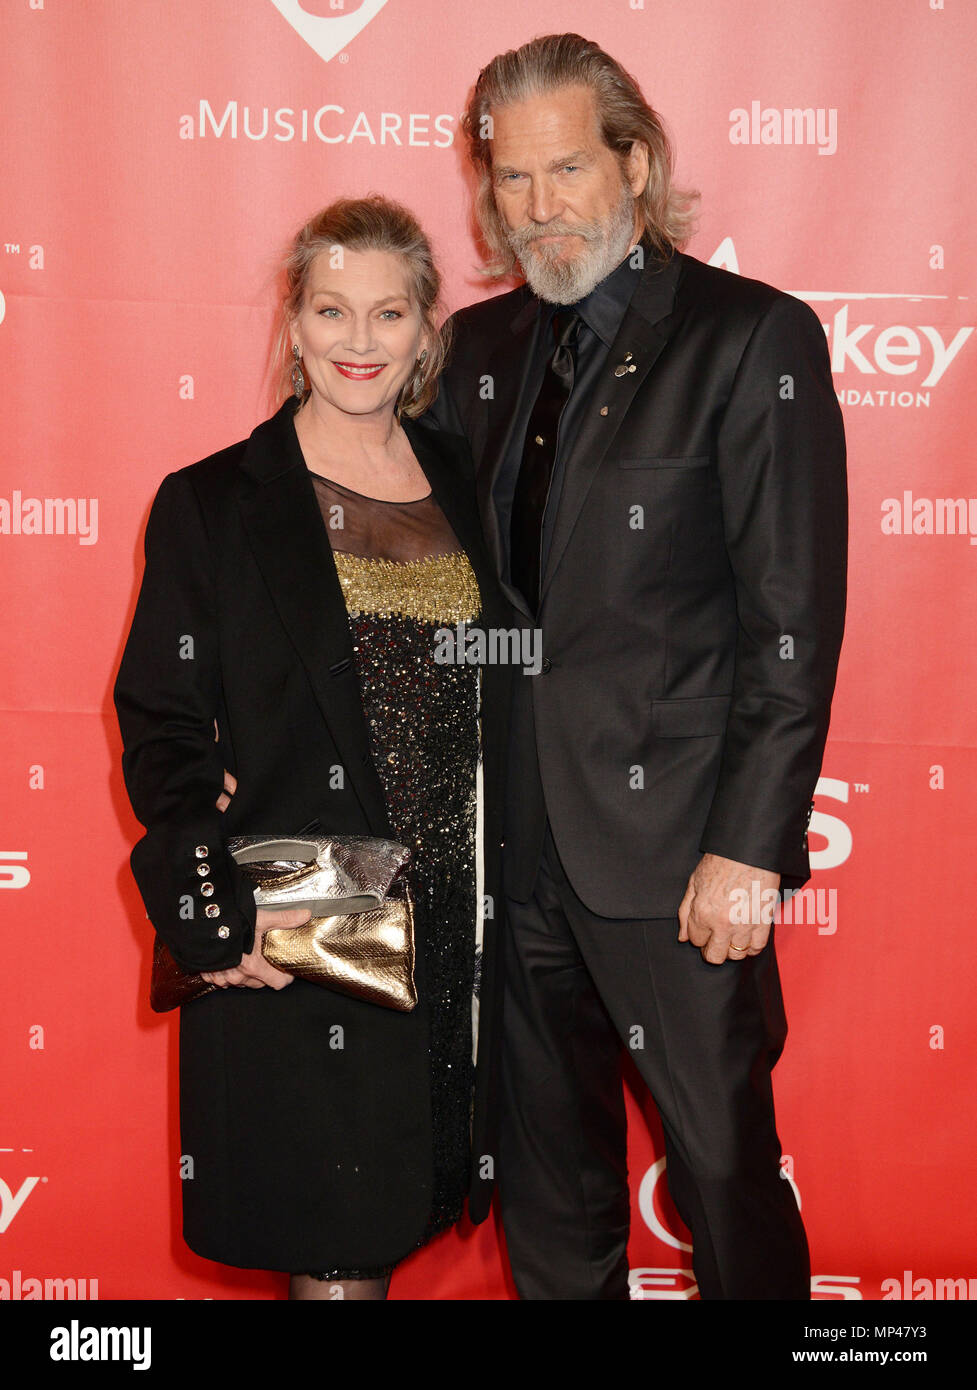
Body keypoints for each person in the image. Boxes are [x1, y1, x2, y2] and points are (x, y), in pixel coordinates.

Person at [428, 34, 848, 1299]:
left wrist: (746, 846)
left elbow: (791, 621)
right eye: (512, 181)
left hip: (675, 855)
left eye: (567, 170)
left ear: (637, 162)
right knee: (550, 1192)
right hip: (515, 855)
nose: (540, 208)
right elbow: (481, 609)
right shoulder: (475, 349)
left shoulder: (747, 337)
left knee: (723, 1177)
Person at [114, 196, 512, 1299]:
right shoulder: (211, 503)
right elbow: (162, 722)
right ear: (292, 325)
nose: (359, 341)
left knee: (400, 1218)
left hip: (458, 932)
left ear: (428, 329)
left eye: (388, 313)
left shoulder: (471, 486)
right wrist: (210, 911)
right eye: (331, 310)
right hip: (305, 919)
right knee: (334, 1246)